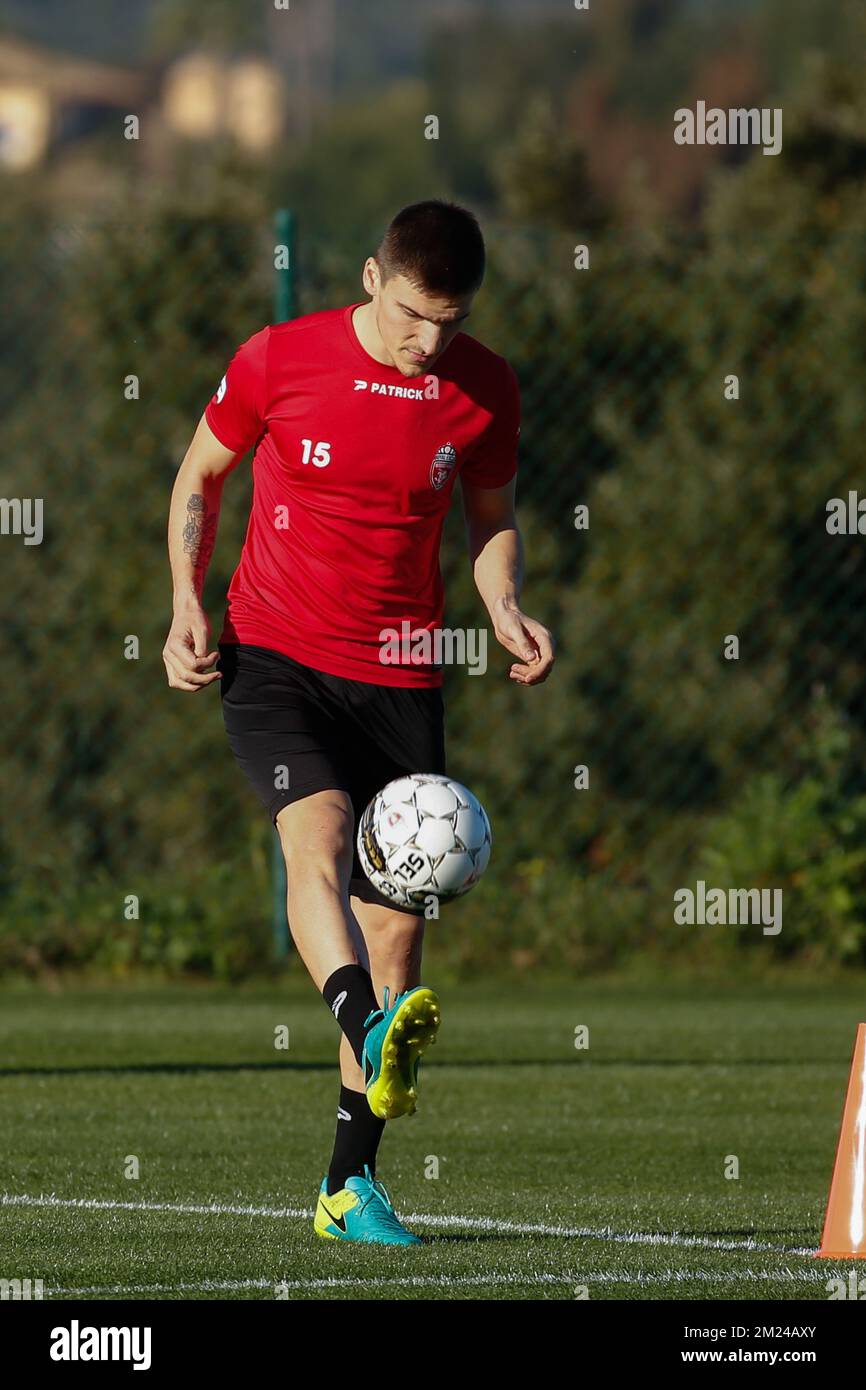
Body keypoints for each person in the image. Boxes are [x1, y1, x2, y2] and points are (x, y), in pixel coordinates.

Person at [162, 200, 555, 1245]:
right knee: (317, 839)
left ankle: (347, 1187)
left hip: (402, 671)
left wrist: (504, 603)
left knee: (397, 931)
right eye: (415, 317)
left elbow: (491, 521)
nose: (430, 343)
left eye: (452, 322)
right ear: (372, 278)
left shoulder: (483, 389)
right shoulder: (278, 360)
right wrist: (184, 603)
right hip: (276, 651)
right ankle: (361, 1027)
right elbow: (200, 476)